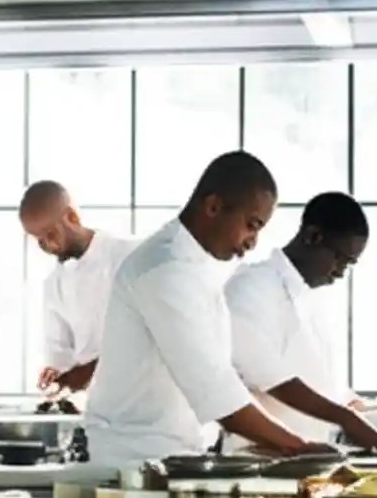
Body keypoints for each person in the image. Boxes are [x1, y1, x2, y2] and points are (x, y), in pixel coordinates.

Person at [82, 151, 338, 465]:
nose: (252, 242)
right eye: (251, 225)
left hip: (169, 455)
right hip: (133, 461)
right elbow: (215, 389)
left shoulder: (195, 267)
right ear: (213, 206)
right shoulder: (165, 270)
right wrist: (298, 447)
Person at [223, 192, 377, 452]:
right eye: (340, 258)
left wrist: (355, 406)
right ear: (312, 237)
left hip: (309, 458)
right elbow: (265, 374)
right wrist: (344, 417)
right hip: (259, 459)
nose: (342, 272)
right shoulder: (251, 286)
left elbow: (321, 382)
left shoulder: (312, 299)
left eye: (350, 264)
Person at [19, 180, 139, 395]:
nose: (48, 245)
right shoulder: (54, 284)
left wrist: (87, 373)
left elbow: (153, 339)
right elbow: (60, 350)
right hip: (96, 407)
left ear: (72, 217)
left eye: (50, 234)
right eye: (39, 240)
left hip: (146, 403)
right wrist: (56, 373)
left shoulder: (132, 256)